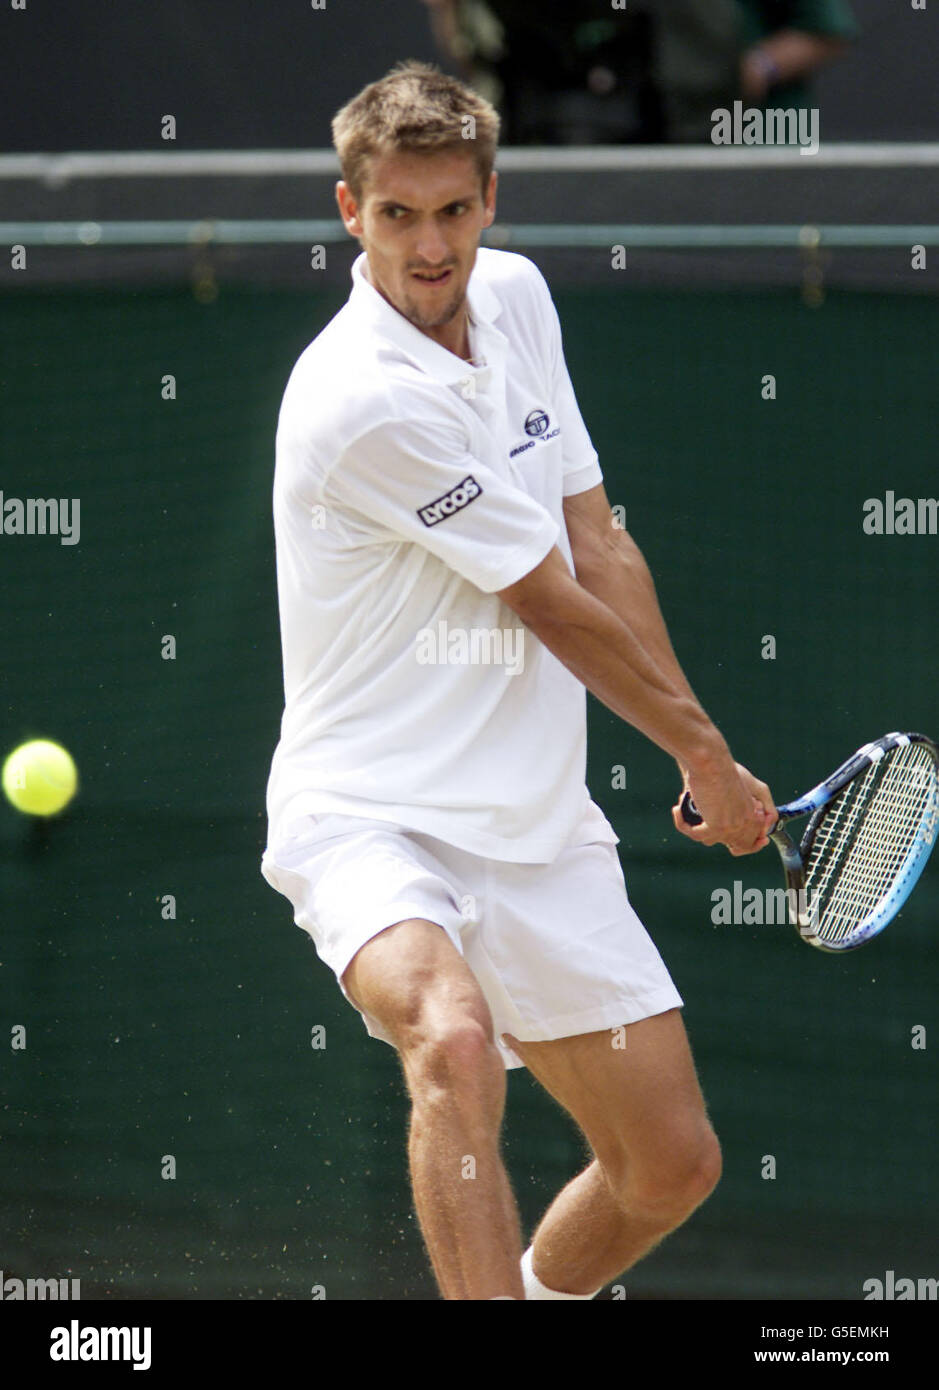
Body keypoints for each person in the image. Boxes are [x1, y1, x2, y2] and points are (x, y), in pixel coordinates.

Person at [260, 59, 775, 1301]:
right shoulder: (360, 401)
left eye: (451, 211)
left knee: (670, 1165)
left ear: (491, 201)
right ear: (350, 212)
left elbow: (599, 541)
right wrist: (703, 756)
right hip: (369, 816)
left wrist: (694, 742)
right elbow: (549, 599)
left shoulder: (522, 301)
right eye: (397, 215)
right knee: (452, 1036)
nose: (428, 247)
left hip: (534, 827)